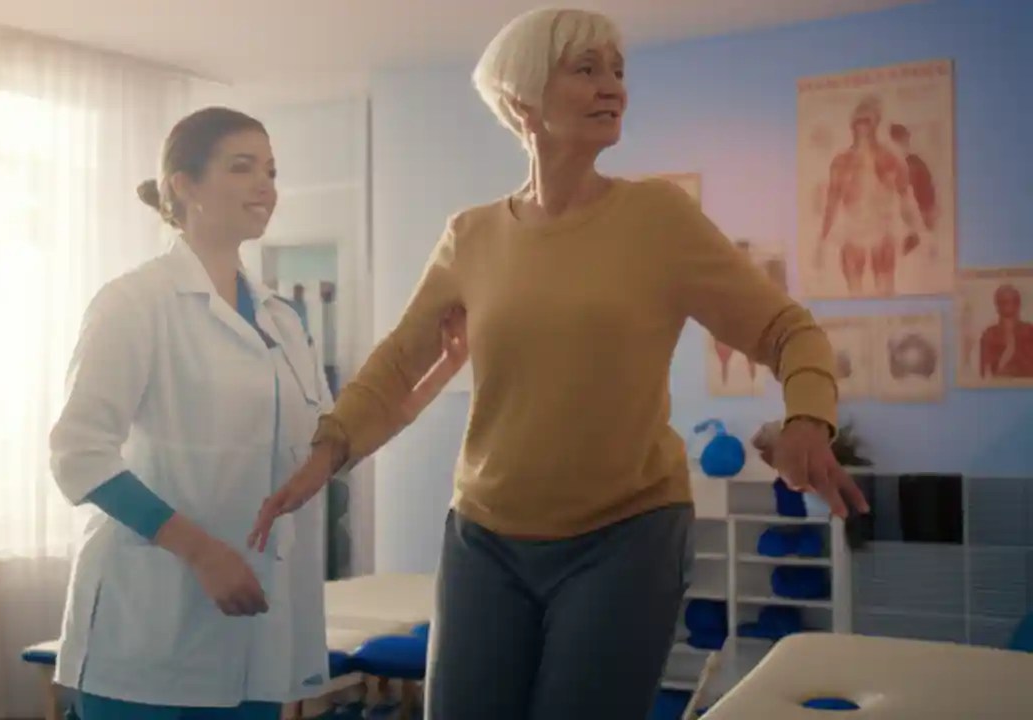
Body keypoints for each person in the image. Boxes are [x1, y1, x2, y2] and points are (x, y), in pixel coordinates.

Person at [248, 8, 869, 720]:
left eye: (618, 70)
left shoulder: (659, 218)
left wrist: (809, 422)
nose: (613, 87)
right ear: (523, 103)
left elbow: (789, 332)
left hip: (625, 536)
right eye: (586, 69)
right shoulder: (471, 235)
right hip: (484, 536)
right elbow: (396, 365)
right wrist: (326, 451)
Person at [47, 106, 335, 720]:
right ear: (184, 183)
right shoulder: (134, 302)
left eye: (272, 170)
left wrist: (436, 373)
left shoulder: (284, 321)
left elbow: (325, 443)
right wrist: (203, 551)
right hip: (149, 621)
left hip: (254, 624)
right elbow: (79, 453)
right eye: (242, 167)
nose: (266, 186)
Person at [814, 95, 925, 296]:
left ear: (876, 123)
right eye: (859, 122)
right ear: (852, 125)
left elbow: (905, 198)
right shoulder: (841, 161)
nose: (862, 127)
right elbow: (832, 202)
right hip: (852, 230)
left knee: (885, 289)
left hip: (882, 228)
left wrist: (917, 231)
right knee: (855, 291)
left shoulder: (890, 158)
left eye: (867, 121)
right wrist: (821, 241)